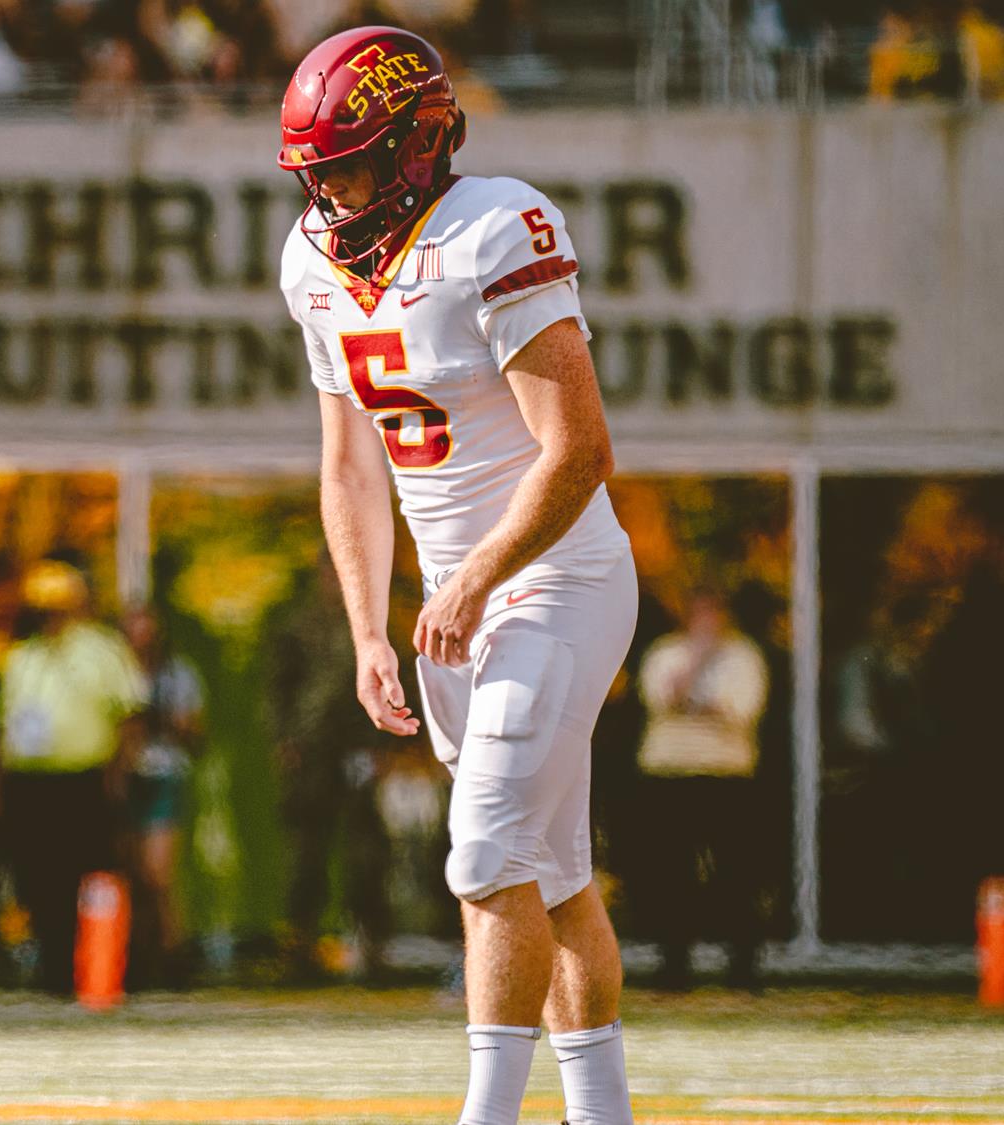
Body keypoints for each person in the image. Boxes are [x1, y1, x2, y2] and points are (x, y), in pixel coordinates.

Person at [279, 26, 637, 1125]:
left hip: (557, 582)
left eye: (351, 162)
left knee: (482, 851)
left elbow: (577, 448)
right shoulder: (309, 261)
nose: (332, 192)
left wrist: (478, 576)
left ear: (419, 143)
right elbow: (347, 465)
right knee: (551, 876)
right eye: (316, 170)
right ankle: (603, 1116)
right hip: (452, 605)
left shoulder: (494, 225)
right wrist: (366, 630)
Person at [0, 560, 146, 995]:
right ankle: (53, 969)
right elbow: (5, 727)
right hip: (31, 783)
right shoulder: (21, 657)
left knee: (93, 878)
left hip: (85, 780)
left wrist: (120, 774)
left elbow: (130, 718)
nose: (49, 616)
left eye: (57, 607)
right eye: (42, 607)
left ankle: (101, 969)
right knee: (38, 878)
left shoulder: (103, 649)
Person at [632, 587, 769, 990]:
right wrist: (697, 660)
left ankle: (742, 969)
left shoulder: (744, 657)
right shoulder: (665, 654)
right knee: (672, 874)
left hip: (726, 778)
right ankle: (674, 967)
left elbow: (741, 711)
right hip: (671, 776)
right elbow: (663, 697)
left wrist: (696, 703)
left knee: (736, 874)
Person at [272, 561, 394, 982]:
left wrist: (382, 748)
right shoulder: (299, 625)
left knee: (367, 856)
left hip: (360, 746)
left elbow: (396, 684)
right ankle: (300, 946)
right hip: (312, 752)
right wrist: (285, 740)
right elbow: (278, 687)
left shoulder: (375, 624)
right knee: (307, 853)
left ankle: (371, 947)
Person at [120, 606, 202, 989]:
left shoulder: (177, 675)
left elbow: (196, 733)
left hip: (163, 775)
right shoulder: (115, 672)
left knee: (159, 876)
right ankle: (133, 956)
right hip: (123, 779)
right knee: (128, 874)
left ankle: (172, 956)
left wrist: (164, 719)